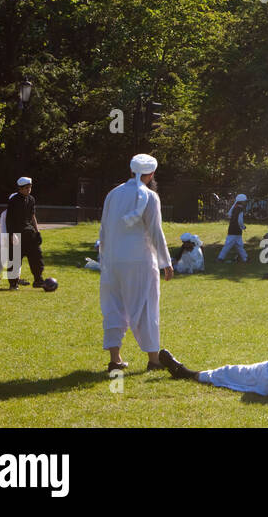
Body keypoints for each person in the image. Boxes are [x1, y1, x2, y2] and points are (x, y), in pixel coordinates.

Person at [99, 154, 174, 372]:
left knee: (113, 306)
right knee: (146, 306)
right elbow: (155, 231)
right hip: (140, 260)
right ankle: (153, 359)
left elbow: (104, 227)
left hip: (113, 260)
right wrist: (165, 261)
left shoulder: (113, 194)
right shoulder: (150, 196)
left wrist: (104, 256)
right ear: (151, 174)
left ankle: (115, 358)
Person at [5, 175, 45, 289]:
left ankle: (38, 280)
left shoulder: (31, 199)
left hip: (30, 234)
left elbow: (33, 216)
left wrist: (37, 232)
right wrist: (11, 235)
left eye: (30, 187)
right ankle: (13, 284)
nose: (29, 189)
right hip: (17, 234)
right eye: (26, 187)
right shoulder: (13, 201)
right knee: (15, 260)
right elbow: (9, 219)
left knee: (37, 257)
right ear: (20, 188)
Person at [219, 194, 248, 263]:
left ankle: (245, 258)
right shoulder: (240, 209)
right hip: (236, 230)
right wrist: (243, 226)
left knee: (239, 245)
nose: (245, 202)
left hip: (233, 229)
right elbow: (240, 220)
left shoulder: (235, 207)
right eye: (245, 201)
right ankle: (220, 258)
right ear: (242, 201)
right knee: (228, 245)